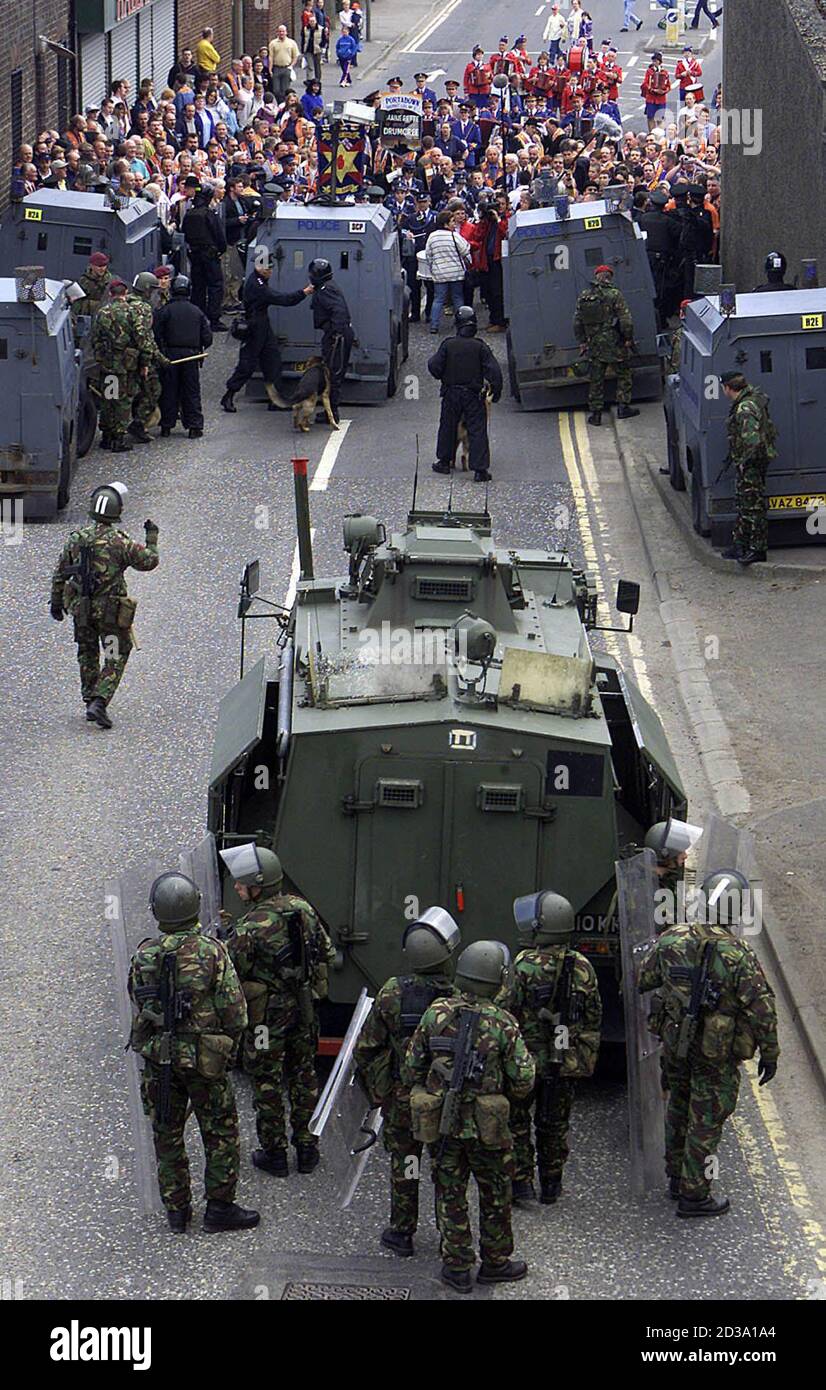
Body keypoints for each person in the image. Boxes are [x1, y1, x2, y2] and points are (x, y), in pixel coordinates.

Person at [639, 870, 778, 1217]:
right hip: (714, 1053)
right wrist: (770, 1054)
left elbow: (645, 979)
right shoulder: (739, 955)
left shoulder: (671, 939)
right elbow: (762, 1009)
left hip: (675, 1043)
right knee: (706, 1117)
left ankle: (676, 1176)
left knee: (678, 1105)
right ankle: (695, 1194)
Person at [128, 870, 259, 1233]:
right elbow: (236, 1011)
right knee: (219, 1131)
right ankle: (219, 1208)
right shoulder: (212, 952)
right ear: (194, 907)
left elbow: (136, 1000)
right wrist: (227, 1047)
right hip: (205, 1060)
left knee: (166, 1133)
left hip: (160, 1059)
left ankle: (177, 1210)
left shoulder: (144, 955)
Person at [402, 941, 535, 1293]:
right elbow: (523, 1079)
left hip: (444, 1124)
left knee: (450, 1192)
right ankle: (495, 1262)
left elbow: (411, 1065)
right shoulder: (504, 1023)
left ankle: (457, 1266)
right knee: (495, 1193)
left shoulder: (435, 1013)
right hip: (487, 1129)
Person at [222, 844, 336, 1176]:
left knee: (267, 1080)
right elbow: (326, 953)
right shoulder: (303, 909)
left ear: (259, 885)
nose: (237, 887)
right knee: (304, 1075)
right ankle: (306, 1148)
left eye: (242, 883)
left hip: (265, 1022)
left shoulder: (249, 926)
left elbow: (233, 970)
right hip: (304, 1010)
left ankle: (274, 1152)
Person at [354, 908, 460, 1257]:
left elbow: (367, 1048)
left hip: (402, 1097)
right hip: (443, 1099)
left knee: (406, 1164)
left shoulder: (391, 994)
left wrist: (379, 1093)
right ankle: (451, 1239)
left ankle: (402, 1232)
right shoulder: (458, 1000)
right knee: (445, 1167)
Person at [505, 892, 601, 1205]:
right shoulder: (583, 966)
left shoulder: (523, 964)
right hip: (565, 1058)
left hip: (528, 1057)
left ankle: (521, 1184)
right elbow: (593, 1014)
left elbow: (507, 1008)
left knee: (518, 1119)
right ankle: (551, 1184)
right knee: (555, 1123)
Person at [49, 482, 158, 729]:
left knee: (87, 652)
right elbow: (149, 562)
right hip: (110, 614)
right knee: (115, 654)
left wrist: (56, 602)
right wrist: (152, 538)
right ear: (116, 511)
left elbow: (60, 573)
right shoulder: (121, 543)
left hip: (82, 610)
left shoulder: (76, 539)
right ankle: (100, 700)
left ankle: (89, 697)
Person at [221, 260, 311, 411]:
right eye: (268, 269)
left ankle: (275, 400)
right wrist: (304, 292)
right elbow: (282, 299)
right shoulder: (259, 287)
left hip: (262, 326)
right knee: (247, 365)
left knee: (273, 362)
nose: (271, 272)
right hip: (255, 328)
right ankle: (229, 395)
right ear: (260, 269)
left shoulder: (256, 279)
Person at [429, 306, 502, 481]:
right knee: (477, 429)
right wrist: (496, 393)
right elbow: (495, 372)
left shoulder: (448, 345)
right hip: (473, 394)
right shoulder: (480, 347)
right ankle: (479, 470)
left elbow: (434, 366)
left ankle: (444, 462)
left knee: (448, 426)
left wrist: (442, 375)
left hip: (451, 393)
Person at [719, 371, 777, 565]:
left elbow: (752, 441)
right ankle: (740, 544)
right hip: (751, 462)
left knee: (753, 506)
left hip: (752, 464)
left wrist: (744, 461)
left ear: (727, 387)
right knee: (744, 503)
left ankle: (757, 549)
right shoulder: (750, 399)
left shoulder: (744, 407)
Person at [573, 264, 640, 426]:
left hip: (594, 343)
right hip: (614, 342)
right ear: (610, 277)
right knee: (623, 373)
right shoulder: (614, 294)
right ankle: (623, 407)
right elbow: (626, 321)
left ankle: (596, 414)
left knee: (596, 378)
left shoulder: (584, 296)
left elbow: (577, 322)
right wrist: (628, 338)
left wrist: (582, 341)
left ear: (597, 277)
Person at [154, 275, 212, 437]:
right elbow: (208, 337)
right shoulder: (197, 312)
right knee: (191, 391)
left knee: (168, 391)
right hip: (191, 357)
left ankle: (166, 425)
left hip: (170, 356)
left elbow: (156, 334)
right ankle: (194, 427)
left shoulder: (164, 311)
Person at [89, 280, 142, 453]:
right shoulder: (131, 312)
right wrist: (145, 360)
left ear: (111, 294)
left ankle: (106, 435)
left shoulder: (102, 313)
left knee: (108, 398)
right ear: (125, 293)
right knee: (123, 401)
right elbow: (140, 338)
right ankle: (119, 438)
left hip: (108, 364)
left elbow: (95, 338)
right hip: (126, 364)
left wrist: (100, 357)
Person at [306, 257, 355, 422]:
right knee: (331, 372)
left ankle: (332, 413)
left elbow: (339, 312)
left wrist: (336, 336)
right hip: (337, 334)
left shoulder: (326, 290)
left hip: (336, 336)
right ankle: (331, 411)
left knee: (333, 373)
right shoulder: (327, 287)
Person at [125, 272, 166, 443]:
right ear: (147, 289)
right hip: (139, 359)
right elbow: (145, 338)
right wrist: (156, 358)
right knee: (153, 390)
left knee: (119, 395)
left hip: (120, 359)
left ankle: (112, 431)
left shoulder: (124, 302)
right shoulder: (143, 308)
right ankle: (139, 423)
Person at [183, 187, 228, 331]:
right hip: (210, 254)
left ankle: (197, 318)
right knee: (215, 286)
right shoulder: (209, 214)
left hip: (195, 254)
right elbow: (219, 234)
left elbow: (184, 232)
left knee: (198, 286)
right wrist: (221, 249)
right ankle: (214, 319)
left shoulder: (189, 214)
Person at [638, 188, 681, 328]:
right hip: (663, 260)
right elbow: (679, 236)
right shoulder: (668, 221)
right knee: (661, 290)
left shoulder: (643, 218)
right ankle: (660, 320)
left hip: (646, 257)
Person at [424, 209, 471, 334]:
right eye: (452, 221)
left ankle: (434, 325)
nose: (454, 224)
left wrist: (433, 267)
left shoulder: (432, 237)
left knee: (438, 299)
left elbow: (428, 254)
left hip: (439, 273)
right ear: (445, 224)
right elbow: (465, 250)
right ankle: (461, 322)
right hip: (456, 272)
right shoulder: (454, 235)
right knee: (457, 297)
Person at [72, 251, 112, 324]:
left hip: (105, 320)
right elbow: (76, 304)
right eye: (99, 266)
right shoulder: (83, 281)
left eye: (104, 265)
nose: (102, 269)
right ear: (91, 266)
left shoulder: (111, 281)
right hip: (87, 319)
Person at [269, 25, 301, 101]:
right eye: (280, 31)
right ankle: (278, 103)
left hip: (286, 68)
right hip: (276, 68)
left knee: (285, 90)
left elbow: (295, 56)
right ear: (277, 32)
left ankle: (284, 104)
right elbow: (271, 57)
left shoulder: (292, 43)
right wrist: (270, 69)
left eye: (283, 31)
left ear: (286, 32)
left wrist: (291, 66)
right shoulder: (273, 43)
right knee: (276, 90)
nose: (281, 33)